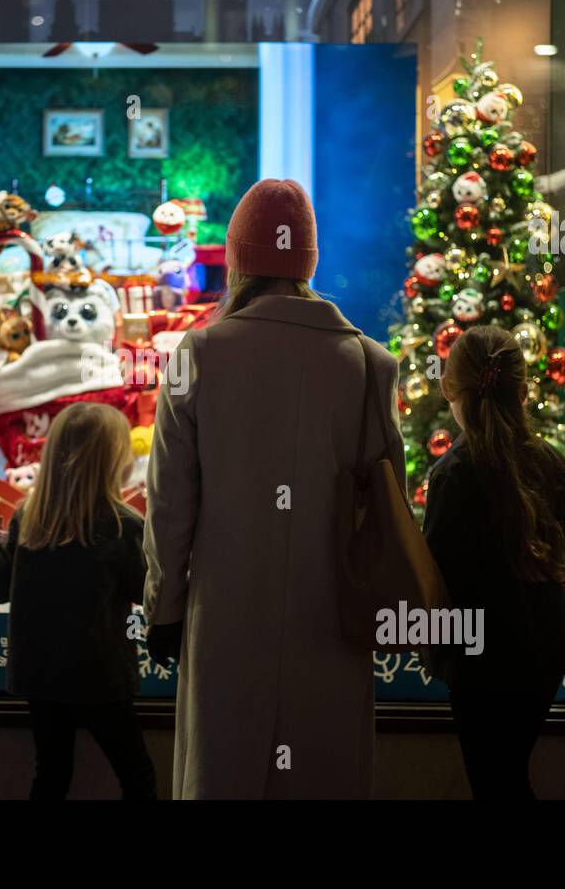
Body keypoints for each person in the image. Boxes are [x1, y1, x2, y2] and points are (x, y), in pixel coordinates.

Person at [142, 178, 403, 799]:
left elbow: (169, 503)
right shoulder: (370, 363)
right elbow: (389, 508)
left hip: (225, 621)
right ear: (308, 261)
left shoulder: (197, 355)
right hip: (334, 619)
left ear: (237, 260)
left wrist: (163, 608)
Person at [424, 325, 565, 800]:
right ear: (524, 390)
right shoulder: (554, 464)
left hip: (481, 664)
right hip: (544, 655)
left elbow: (440, 580)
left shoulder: (453, 474)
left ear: (447, 388)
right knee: (507, 777)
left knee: (496, 782)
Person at [0, 403, 157, 800]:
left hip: (40, 675)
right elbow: (147, 591)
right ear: (113, 459)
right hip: (100, 673)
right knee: (136, 773)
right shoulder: (121, 523)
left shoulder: (28, 516)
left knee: (51, 774)